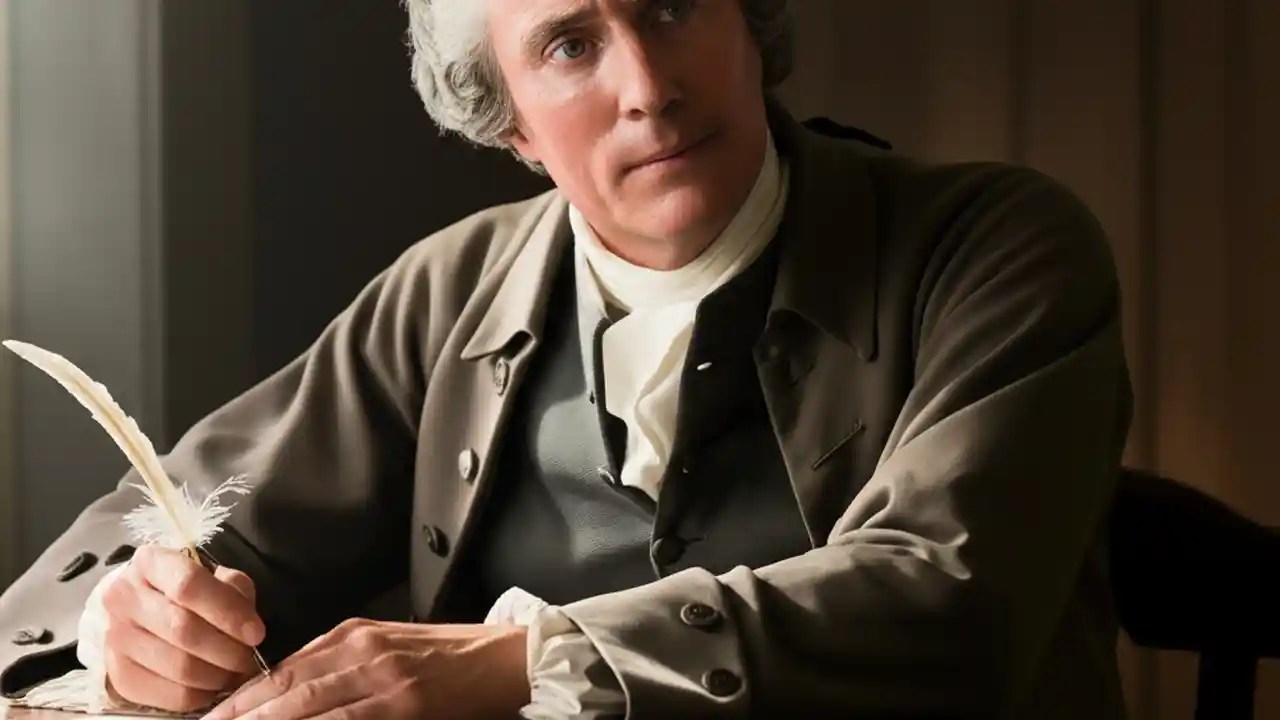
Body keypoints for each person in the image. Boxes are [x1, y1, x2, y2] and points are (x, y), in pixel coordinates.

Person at [0, 0, 1134, 717]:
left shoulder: (997, 245)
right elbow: (182, 520)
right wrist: (135, 618)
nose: (646, 86)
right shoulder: (448, 288)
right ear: (512, 130)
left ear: (751, 24)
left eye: (672, 6)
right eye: (570, 45)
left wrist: (522, 661)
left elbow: (947, 604)